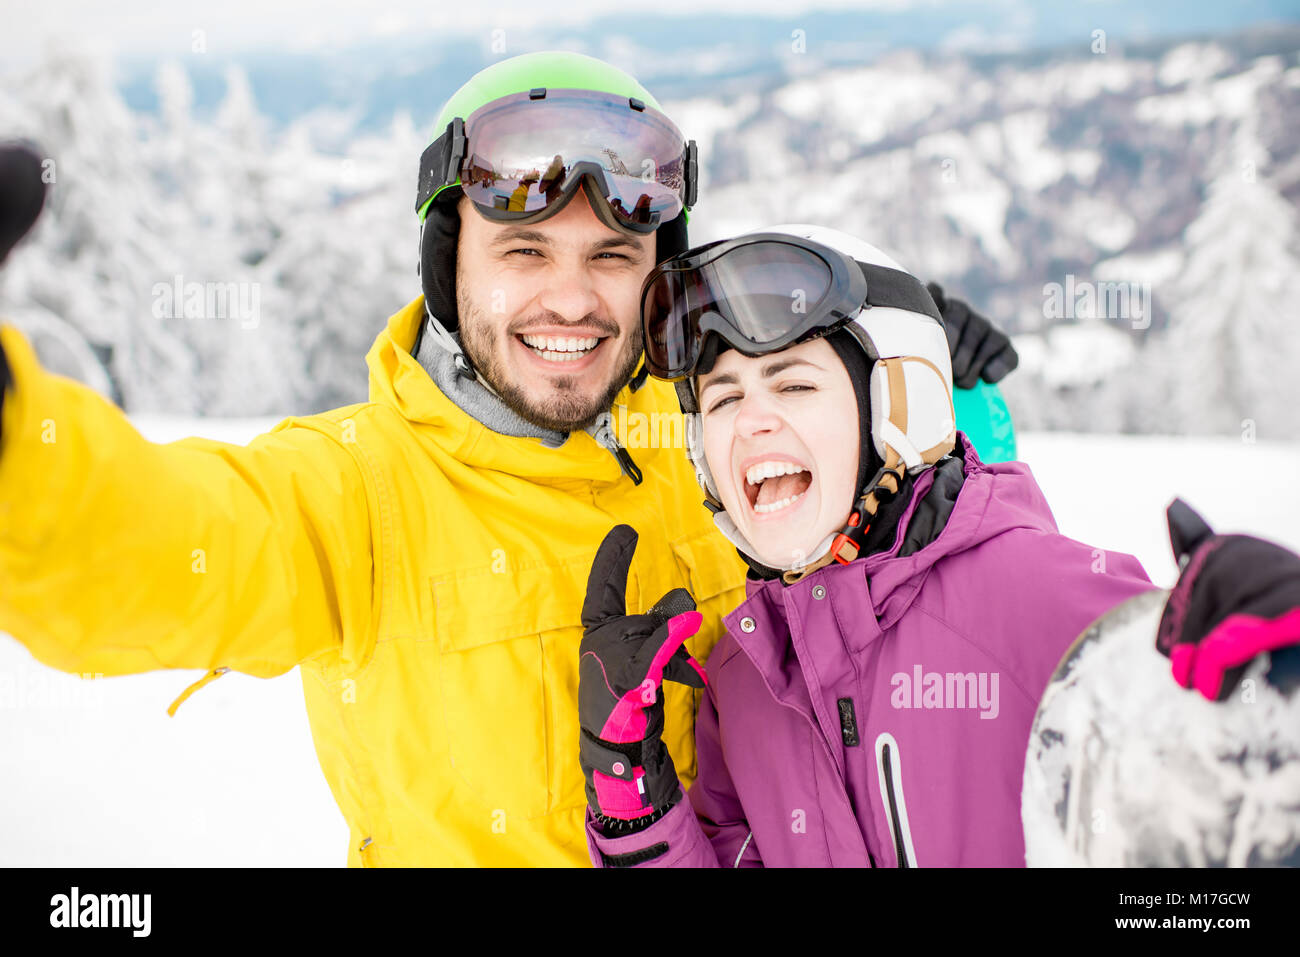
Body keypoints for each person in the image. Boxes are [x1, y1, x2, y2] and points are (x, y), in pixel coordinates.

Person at [0, 54, 1016, 866]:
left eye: (610, 260)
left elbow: (922, 583)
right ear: (450, 268)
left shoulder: (722, 432)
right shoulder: (353, 488)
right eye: (523, 254)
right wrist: (17, 457)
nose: (570, 302)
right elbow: (147, 548)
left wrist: (927, 391)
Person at [576, 225, 1160, 866]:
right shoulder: (741, 681)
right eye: (724, 399)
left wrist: (1274, 651)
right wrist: (631, 798)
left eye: (794, 385)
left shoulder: (1043, 601)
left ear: (896, 408)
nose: (750, 421)